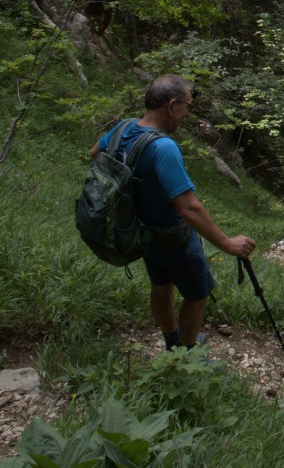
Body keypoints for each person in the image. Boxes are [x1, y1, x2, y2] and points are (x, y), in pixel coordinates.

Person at [89, 74, 256, 350]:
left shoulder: (123, 128)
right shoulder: (163, 147)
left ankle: (172, 339)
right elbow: (188, 208)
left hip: (143, 231)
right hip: (173, 235)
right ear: (172, 104)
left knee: (161, 283)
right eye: (187, 106)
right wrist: (227, 243)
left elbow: (95, 153)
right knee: (198, 293)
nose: (188, 113)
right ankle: (185, 354)